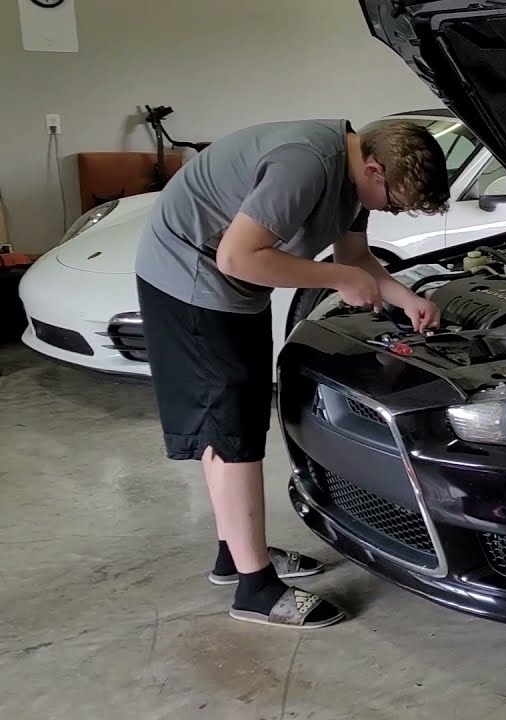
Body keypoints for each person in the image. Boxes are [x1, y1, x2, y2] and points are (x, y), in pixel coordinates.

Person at [134, 118, 448, 629]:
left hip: (229, 287)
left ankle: (233, 554)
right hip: (189, 280)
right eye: (391, 202)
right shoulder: (306, 164)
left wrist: (405, 297)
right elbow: (237, 256)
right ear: (372, 167)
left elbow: (357, 257)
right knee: (230, 427)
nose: (385, 210)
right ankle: (254, 588)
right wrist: (337, 279)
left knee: (244, 416)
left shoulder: (353, 176)